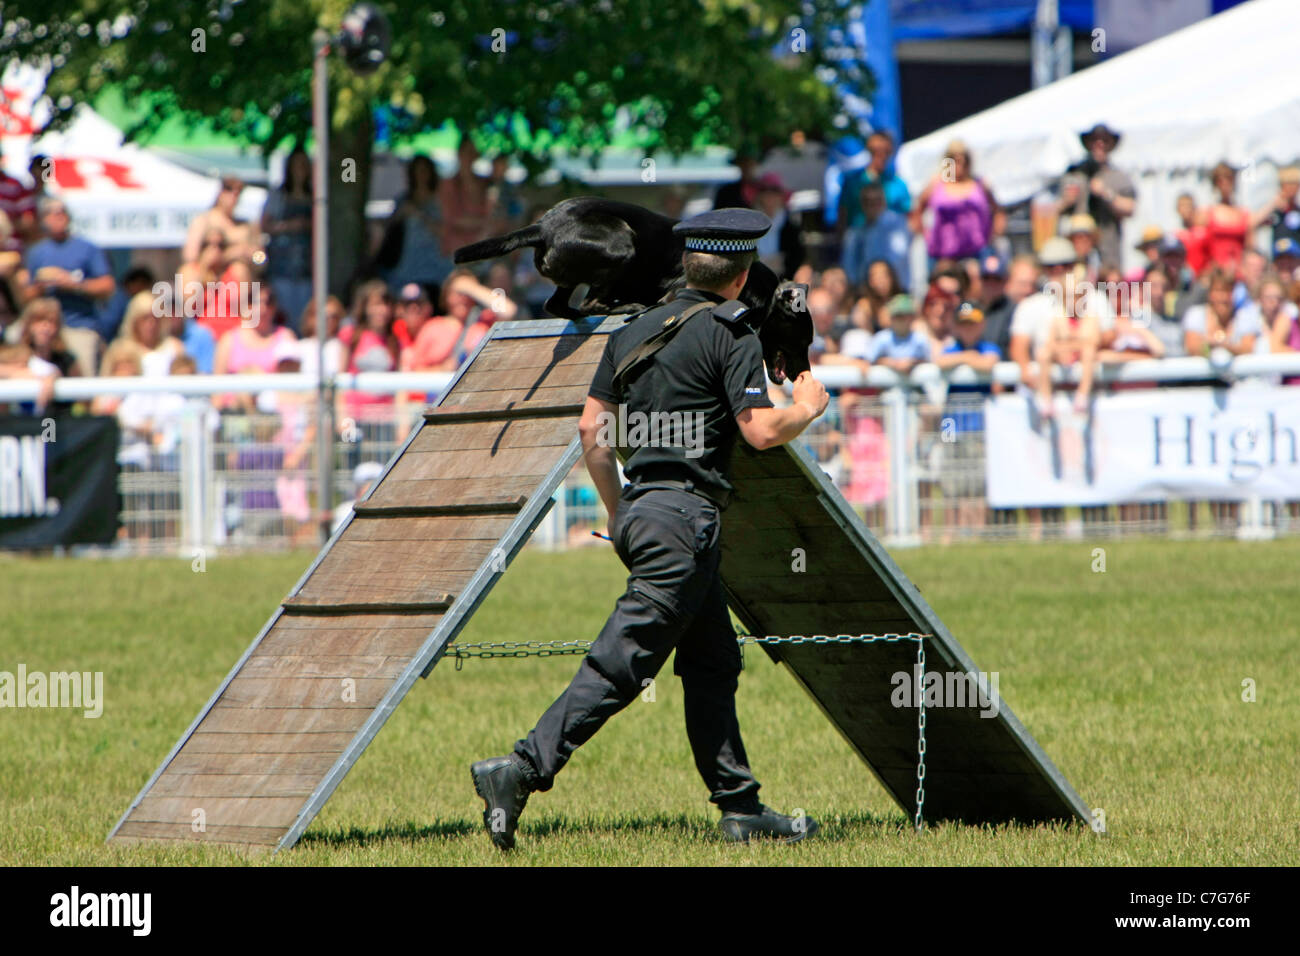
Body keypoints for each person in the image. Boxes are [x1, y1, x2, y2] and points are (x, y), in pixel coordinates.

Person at [470, 208, 830, 851]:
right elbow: (760, 431)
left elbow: (591, 431)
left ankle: (740, 806)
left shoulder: (633, 330)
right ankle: (520, 769)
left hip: (646, 512)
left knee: (714, 661)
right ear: (742, 273)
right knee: (622, 666)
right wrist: (806, 406)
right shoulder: (732, 332)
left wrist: (617, 512)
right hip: (686, 521)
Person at [17, 197, 116, 378]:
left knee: (83, 380)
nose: (58, 217)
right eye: (52, 213)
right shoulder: (37, 252)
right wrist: (42, 285)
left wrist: (74, 284)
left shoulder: (87, 248)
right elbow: (25, 295)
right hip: (42, 327)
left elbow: (108, 286)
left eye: (61, 212)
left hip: (79, 325)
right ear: (44, 219)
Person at [1058, 123, 1136, 268]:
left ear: (1111, 144)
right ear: (1087, 143)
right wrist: (1066, 201)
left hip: (1107, 250)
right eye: (1094, 140)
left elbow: (1130, 208)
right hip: (1077, 250)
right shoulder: (1074, 173)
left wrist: (1107, 194)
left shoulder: (1118, 176)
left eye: (1104, 141)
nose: (1099, 144)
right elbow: (1054, 209)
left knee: (1107, 288)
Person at [379, 155, 454, 300]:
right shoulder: (403, 200)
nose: (421, 175)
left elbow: (445, 231)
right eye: (417, 171)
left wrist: (420, 215)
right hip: (405, 267)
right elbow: (389, 230)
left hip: (435, 267)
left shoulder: (440, 201)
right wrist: (400, 215)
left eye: (424, 171)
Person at [910, 140, 994, 265]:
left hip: (976, 251)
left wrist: (992, 235)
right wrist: (926, 236)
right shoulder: (937, 183)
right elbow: (918, 209)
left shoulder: (979, 183)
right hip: (942, 254)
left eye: (963, 161)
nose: (959, 166)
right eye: (954, 161)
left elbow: (996, 209)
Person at [262, 147, 314, 333]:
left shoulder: (315, 196)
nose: (300, 169)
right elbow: (264, 225)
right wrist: (291, 226)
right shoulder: (279, 195)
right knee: (284, 317)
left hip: (308, 270)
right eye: (297, 164)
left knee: (305, 318)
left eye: (304, 164)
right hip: (281, 269)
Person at [841, 182, 911, 290]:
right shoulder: (855, 231)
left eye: (877, 201)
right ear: (862, 205)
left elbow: (899, 259)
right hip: (866, 290)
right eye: (867, 202)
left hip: (895, 289)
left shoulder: (897, 224)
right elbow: (848, 268)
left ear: (884, 202)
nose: (872, 206)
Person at [181, 177, 260, 267]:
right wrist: (225, 254)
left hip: (241, 276)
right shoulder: (204, 220)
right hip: (209, 274)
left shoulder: (247, 226)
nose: (234, 195)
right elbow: (190, 256)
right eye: (229, 189)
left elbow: (261, 260)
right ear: (220, 192)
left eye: (238, 191)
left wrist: (248, 253)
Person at [1197, 162, 1252, 276]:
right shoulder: (1206, 213)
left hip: (1238, 271)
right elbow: (1200, 247)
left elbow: (1249, 246)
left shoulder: (1243, 213)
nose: (1225, 184)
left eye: (1229, 179)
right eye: (1220, 181)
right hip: (1215, 273)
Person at [1252, 165, 1300, 248]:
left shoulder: (1297, 210)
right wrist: (1274, 204)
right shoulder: (1275, 212)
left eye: (1294, 184)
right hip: (1278, 255)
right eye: (1288, 184)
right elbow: (1253, 223)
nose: (1291, 188)